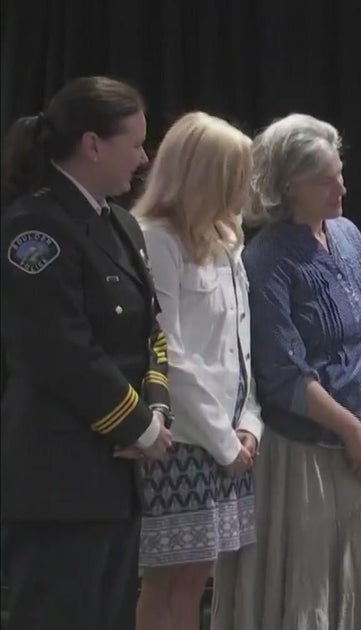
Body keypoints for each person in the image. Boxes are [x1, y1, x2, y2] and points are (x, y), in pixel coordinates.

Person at [210, 113, 361, 630]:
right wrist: (353, 432)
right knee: (311, 587)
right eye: (325, 181)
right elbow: (284, 375)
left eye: (339, 174)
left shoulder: (346, 233)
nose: (341, 188)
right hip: (308, 454)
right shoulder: (267, 260)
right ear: (288, 187)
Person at [0, 76, 173, 630]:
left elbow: (151, 331)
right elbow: (60, 350)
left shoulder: (120, 223)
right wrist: (137, 427)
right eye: (135, 144)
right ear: (93, 144)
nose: (143, 159)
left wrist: (156, 411)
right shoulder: (36, 227)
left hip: (116, 480)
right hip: (61, 478)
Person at [130, 111, 263, 630]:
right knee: (166, 585)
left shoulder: (226, 242)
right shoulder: (156, 240)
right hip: (183, 441)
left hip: (226, 442)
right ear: (207, 177)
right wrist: (224, 442)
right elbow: (170, 354)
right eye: (238, 176)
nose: (247, 188)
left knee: (195, 583)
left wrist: (249, 423)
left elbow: (240, 345)